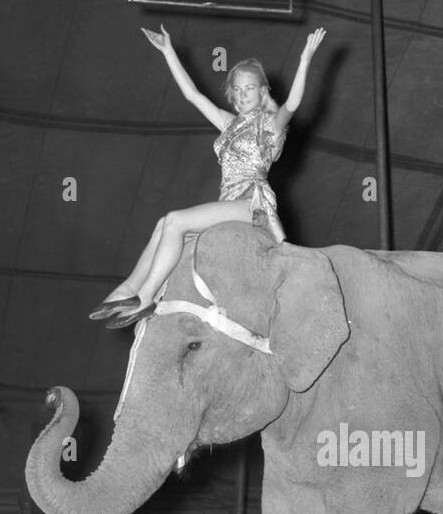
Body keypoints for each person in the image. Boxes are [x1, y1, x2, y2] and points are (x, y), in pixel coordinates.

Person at [89, 24, 327, 329]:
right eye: (237, 89)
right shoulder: (229, 123)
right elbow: (192, 95)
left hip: (250, 204)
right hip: (227, 202)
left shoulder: (270, 125)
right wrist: (168, 50)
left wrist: (306, 58)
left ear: (263, 91)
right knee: (163, 225)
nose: (242, 95)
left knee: (175, 219)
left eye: (249, 88)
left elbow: (293, 104)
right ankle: (128, 290)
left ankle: (145, 298)